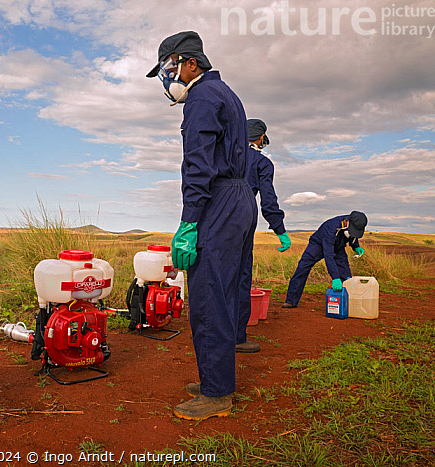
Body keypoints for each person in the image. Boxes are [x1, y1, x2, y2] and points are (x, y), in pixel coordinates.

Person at [147, 31, 257, 421]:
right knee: (225, 293)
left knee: (209, 297)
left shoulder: (201, 99)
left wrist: (189, 222)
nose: (167, 77)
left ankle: (215, 394)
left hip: (219, 202)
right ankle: (218, 379)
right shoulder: (226, 93)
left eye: (169, 67)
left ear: (190, 63)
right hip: (242, 198)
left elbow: (199, 165)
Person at [236, 119, 291, 353]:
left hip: (214, 215)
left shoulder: (224, 155)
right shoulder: (262, 163)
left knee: (216, 275)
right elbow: (268, 201)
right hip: (243, 216)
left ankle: (210, 333)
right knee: (240, 276)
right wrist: (280, 229)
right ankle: (237, 337)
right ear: (260, 138)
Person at [282, 211, 368, 308]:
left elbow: (352, 237)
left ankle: (346, 303)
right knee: (302, 268)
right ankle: (291, 301)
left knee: (345, 273)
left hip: (338, 247)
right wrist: (335, 277)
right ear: (347, 222)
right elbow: (329, 255)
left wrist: (355, 246)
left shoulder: (354, 223)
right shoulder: (332, 227)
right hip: (317, 245)